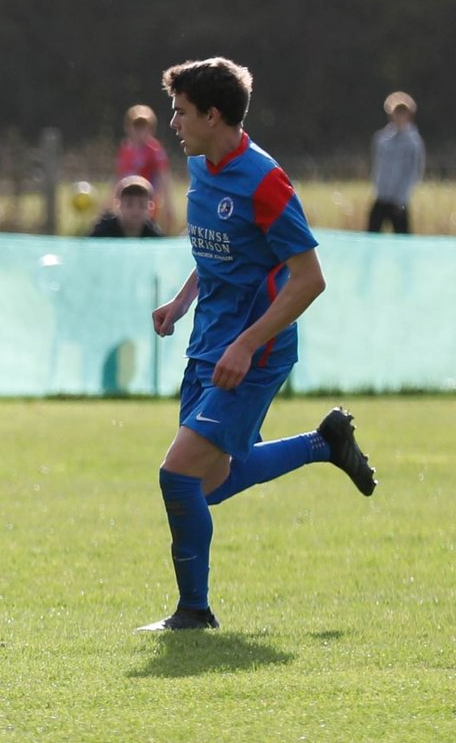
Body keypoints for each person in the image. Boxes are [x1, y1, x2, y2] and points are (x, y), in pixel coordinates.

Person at [140, 57, 377, 633]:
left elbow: (308, 278)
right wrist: (182, 300)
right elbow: (218, 253)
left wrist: (246, 345)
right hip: (208, 346)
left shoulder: (264, 180)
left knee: (178, 477)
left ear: (212, 115)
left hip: (254, 353)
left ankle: (193, 613)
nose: (173, 123)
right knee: (208, 484)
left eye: (181, 112)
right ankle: (323, 444)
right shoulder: (204, 166)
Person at [367, 91, 424, 234]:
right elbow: (376, 166)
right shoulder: (381, 139)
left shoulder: (413, 142)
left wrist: (402, 196)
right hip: (381, 196)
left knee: (402, 237)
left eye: (402, 113)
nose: (399, 117)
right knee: (372, 235)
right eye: (396, 113)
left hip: (399, 200)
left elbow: (414, 171)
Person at [116, 104, 174, 232]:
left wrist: (168, 206)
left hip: (145, 204)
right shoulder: (125, 149)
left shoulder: (154, 150)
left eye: (144, 127)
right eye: (136, 127)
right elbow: (119, 178)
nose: (140, 131)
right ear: (129, 128)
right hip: (126, 204)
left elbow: (164, 177)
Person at [87, 174, 164, 238]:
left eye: (142, 205)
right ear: (118, 205)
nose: (135, 210)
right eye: (129, 205)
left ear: (150, 207)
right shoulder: (101, 233)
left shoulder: (154, 235)